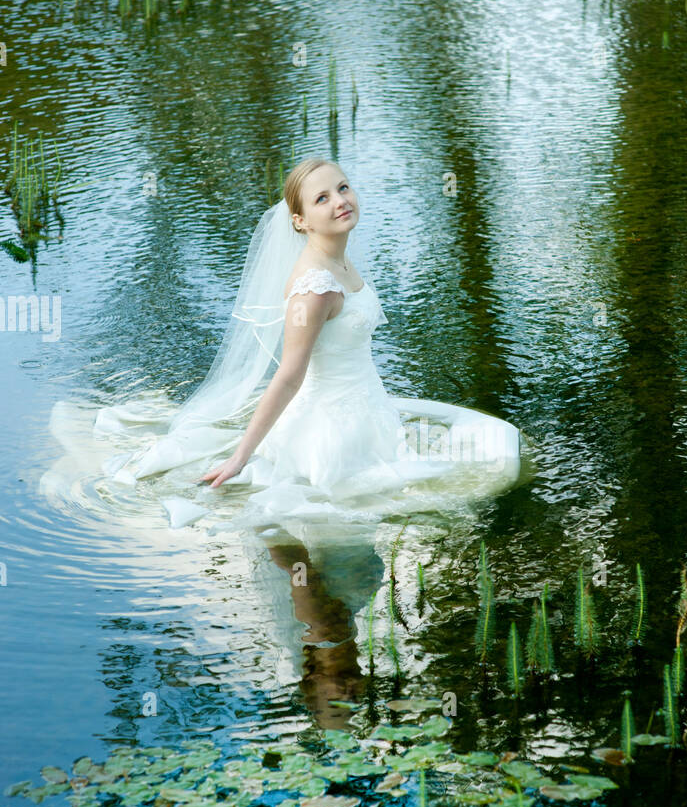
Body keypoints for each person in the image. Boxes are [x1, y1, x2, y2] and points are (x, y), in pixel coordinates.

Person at [88, 156, 522, 538]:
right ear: (300, 221)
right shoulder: (313, 288)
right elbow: (290, 373)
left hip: (369, 411)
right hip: (332, 433)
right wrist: (242, 456)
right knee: (341, 540)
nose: (339, 201)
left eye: (343, 187)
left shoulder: (341, 258)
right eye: (322, 199)